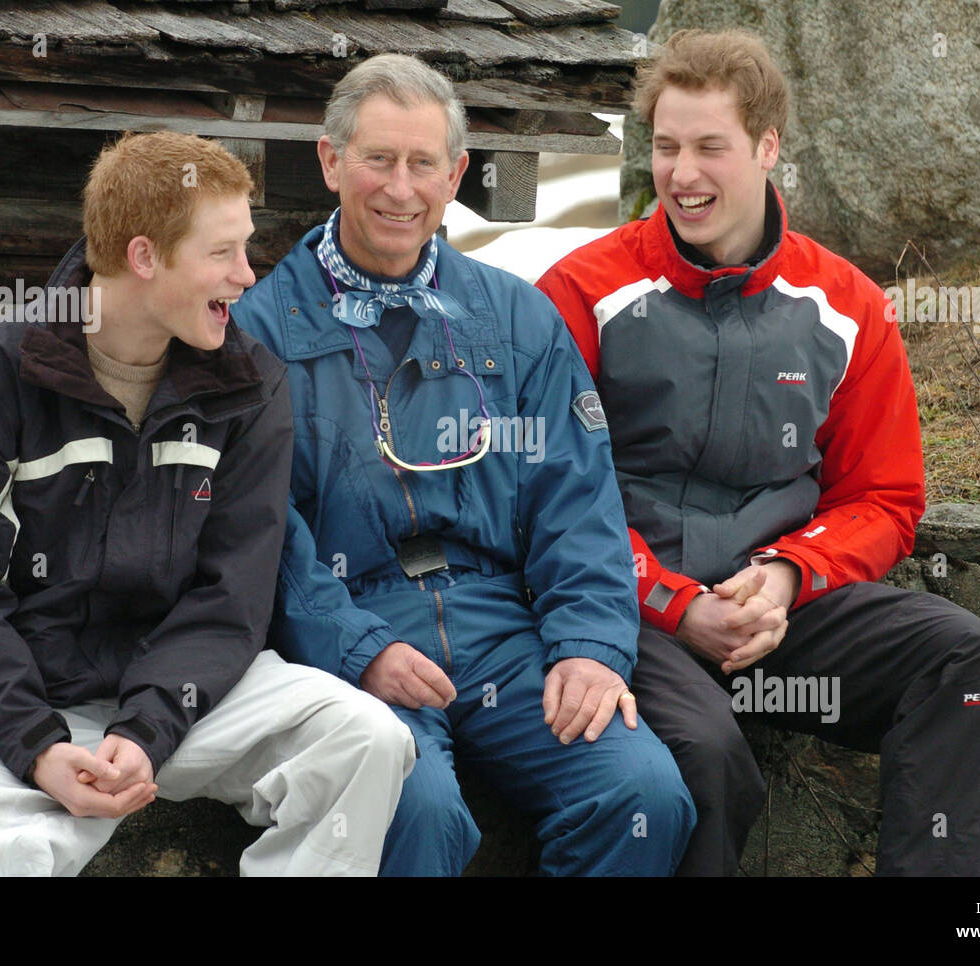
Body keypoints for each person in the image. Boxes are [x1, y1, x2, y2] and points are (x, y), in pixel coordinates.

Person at [537, 29, 980, 876]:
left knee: (975, 663)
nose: (682, 174)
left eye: (709, 148)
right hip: (631, 612)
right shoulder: (580, 293)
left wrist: (790, 574)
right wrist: (675, 604)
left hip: (779, 617)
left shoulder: (847, 306)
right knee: (707, 758)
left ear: (767, 148)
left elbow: (885, 499)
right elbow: (544, 493)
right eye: (665, 147)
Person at [0, 131, 415, 877]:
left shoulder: (248, 384)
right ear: (143, 257)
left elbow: (232, 595)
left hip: (190, 696)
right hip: (33, 702)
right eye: (223, 253)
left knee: (366, 738)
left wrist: (149, 729)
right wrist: (38, 749)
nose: (247, 275)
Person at [234, 54, 694, 876]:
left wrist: (588, 645)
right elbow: (258, 535)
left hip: (502, 627)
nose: (400, 189)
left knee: (642, 792)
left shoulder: (517, 317)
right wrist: (354, 646)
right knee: (415, 809)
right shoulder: (261, 331)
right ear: (331, 161)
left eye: (422, 165)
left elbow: (577, 497)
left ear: (455, 175)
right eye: (378, 159)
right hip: (354, 636)